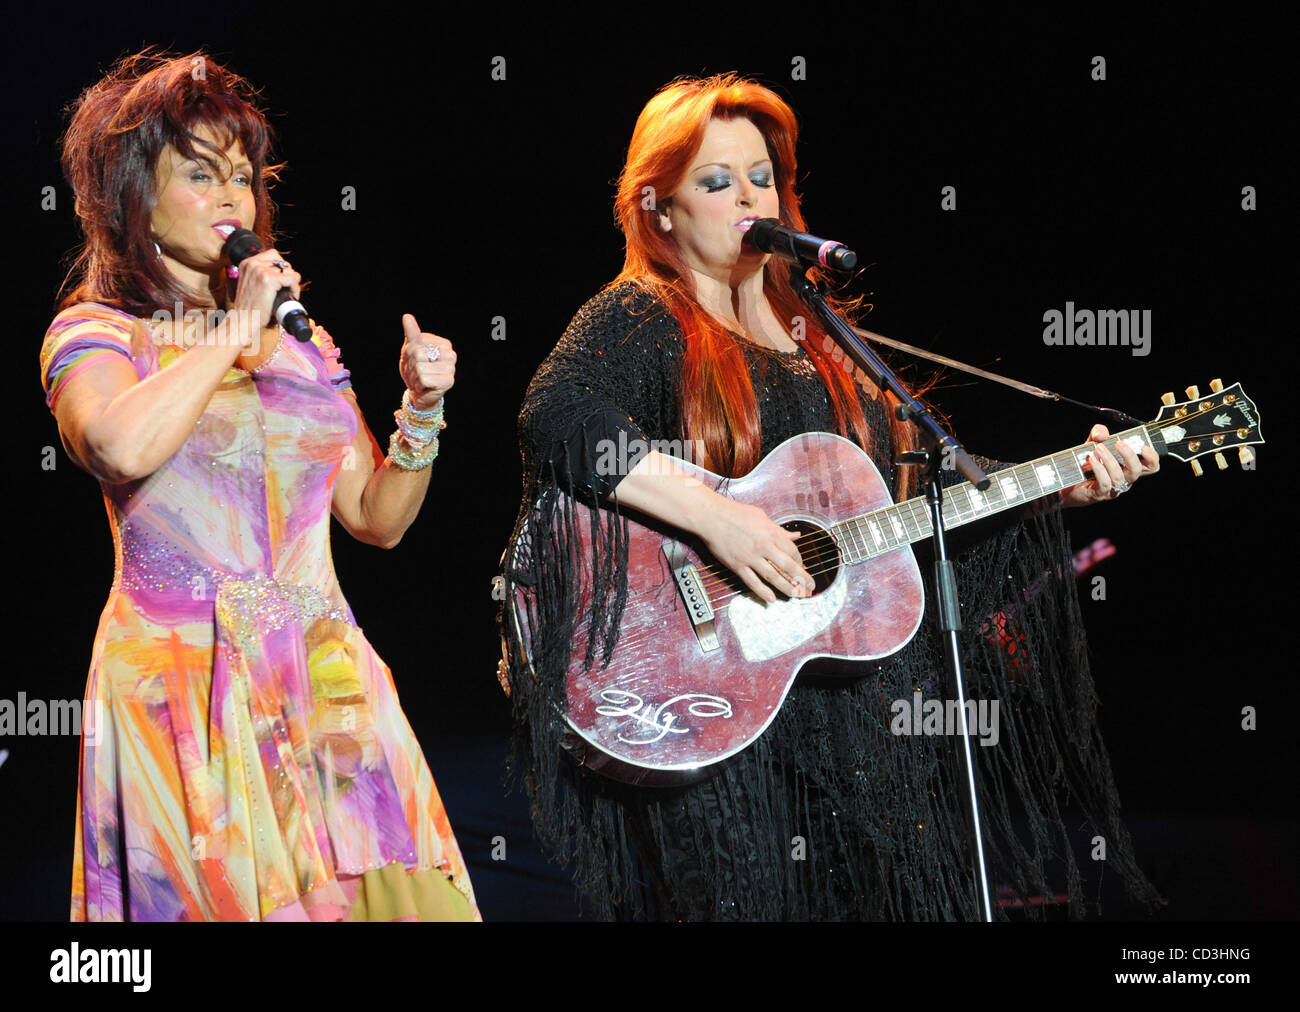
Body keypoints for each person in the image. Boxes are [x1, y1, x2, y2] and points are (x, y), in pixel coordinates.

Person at [497, 73, 1164, 921]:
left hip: (857, 723)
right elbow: (557, 419)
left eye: (760, 176)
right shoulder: (641, 316)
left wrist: (1057, 493)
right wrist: (721, 519)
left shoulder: (824, 337)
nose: (748, 195)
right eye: (716, 180)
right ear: (659, 208)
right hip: (716, 706)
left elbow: (914, 509)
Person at [40, 49, 478, 922]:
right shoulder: (95, 334)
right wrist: (230, 331)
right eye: (200, 176)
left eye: (240, 176)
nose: (233, 198)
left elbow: (375, 518)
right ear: (136, 195)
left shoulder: (299, 345)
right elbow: (118, 447)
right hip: (185, 687)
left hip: (324, 677)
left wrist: (421, 413)